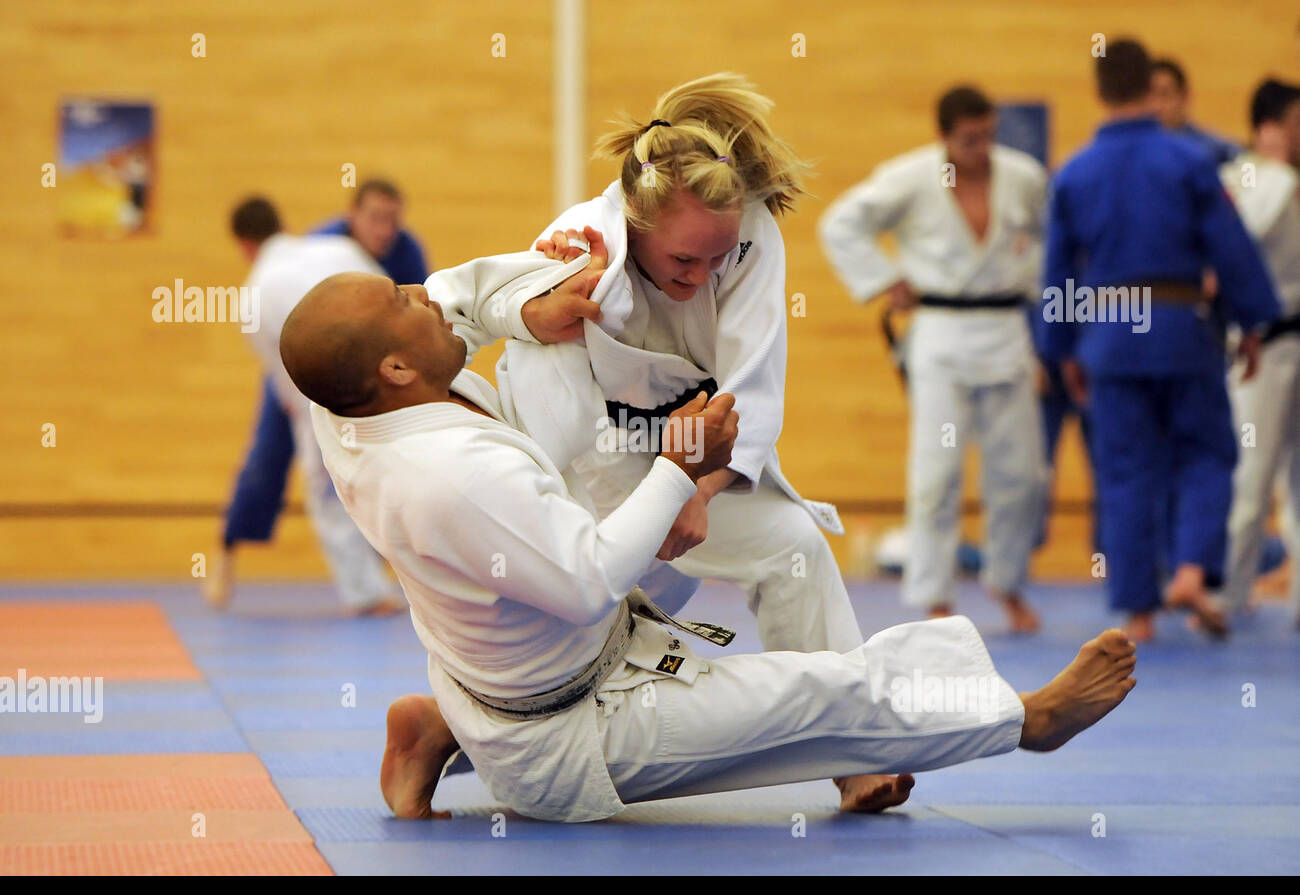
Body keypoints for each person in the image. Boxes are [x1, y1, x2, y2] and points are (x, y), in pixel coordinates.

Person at [279, 269, 1138, 823]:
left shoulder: (348, 402)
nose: (422, 292)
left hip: (509, 665)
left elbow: (450, 294)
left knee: (757, 542)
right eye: (401, 302)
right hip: (573, 728)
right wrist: (676, 469)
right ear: (395, 369)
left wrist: (517, 306)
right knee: (807, 695)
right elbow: (585, 584)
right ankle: (1025, 720)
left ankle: (442, 730)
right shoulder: (447, 474)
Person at [506, 73, 862, 662]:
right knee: (591, 617)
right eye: (683, 258)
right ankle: (458, 722)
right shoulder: (577, 245)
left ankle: (848, 728)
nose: (702, 275)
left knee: (791, 547)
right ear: (635, 222)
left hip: (700, 450)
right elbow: (536, 391)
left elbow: (753, 379)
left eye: (715, 259)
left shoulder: (749, 231)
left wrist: (700, 485)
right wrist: (540, 298)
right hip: (589, 456)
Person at [1037, 39, 1279, 642]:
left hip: (1111, 335)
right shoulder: (1190, 162)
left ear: (1098, 92)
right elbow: (1231, 249)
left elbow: (1059, 272)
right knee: (1206, 452)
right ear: (1152, 86)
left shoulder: (1074, 172)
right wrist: (1252, 322)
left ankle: (1139, 613)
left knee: (1124, 471)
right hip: (1179, 328)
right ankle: (1193, 569)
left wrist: (1061, 348)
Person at [819, 85, 1049, 632]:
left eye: (988, 136)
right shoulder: (912, 177)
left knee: (1023, 474)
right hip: (941, 333)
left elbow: (1051, 243)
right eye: (969, 139)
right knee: (937, 471)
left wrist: (1046, 315)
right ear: (944, 135)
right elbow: (840, 223)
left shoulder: (1023, 176)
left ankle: (1007, 582)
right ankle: (934, 596)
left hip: (1008, 329)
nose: (980, 149)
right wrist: (885, 279)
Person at [207, 180, 429, 608]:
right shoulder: (336, 250)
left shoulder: (255, 291)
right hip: (387, 377)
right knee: (402, 476)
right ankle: (429, 584)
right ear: (281, 224)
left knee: (328, 490)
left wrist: (307, 416)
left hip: (321, 396)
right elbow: (393, 303)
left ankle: (365, 594)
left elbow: (286, 381)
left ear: (244, 245)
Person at [1217, 79, 1300, 625]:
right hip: (1262, 347)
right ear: (1271, 126)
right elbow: (1236, 248)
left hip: (1284, 340)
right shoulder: (1261, 178)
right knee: (1252, 477)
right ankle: (1228, 596)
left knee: (1290, 480)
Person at [1150, 58, 1241, 165]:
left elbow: (1244, 159)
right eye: (1149, 96)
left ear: (1184, 97)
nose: (1156, 106)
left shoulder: (1209, 148)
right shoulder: (1134, 149)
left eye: (1164, 94)